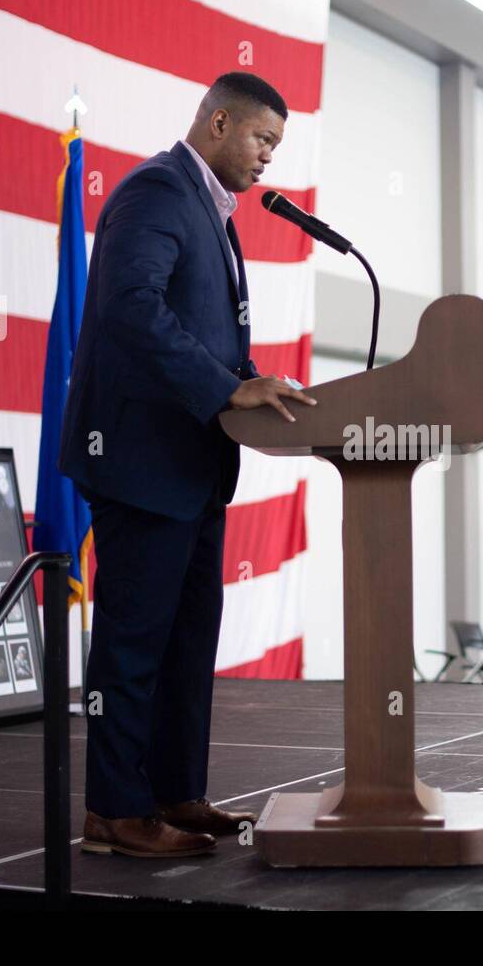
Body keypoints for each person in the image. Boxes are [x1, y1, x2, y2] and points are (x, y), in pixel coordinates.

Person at [59, 72, 316, 859]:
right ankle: (112, 810)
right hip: (140, 463)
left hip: (194, 468)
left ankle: (174, 791)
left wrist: (245, 382)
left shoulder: (214, 210)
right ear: (218, 122)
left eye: (277, 145)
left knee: (186, 642)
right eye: (262, 139)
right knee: (133, 646)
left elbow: (197, 328)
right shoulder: (156, 191)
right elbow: (132, 309)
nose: (270, 156)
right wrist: (228, 388)